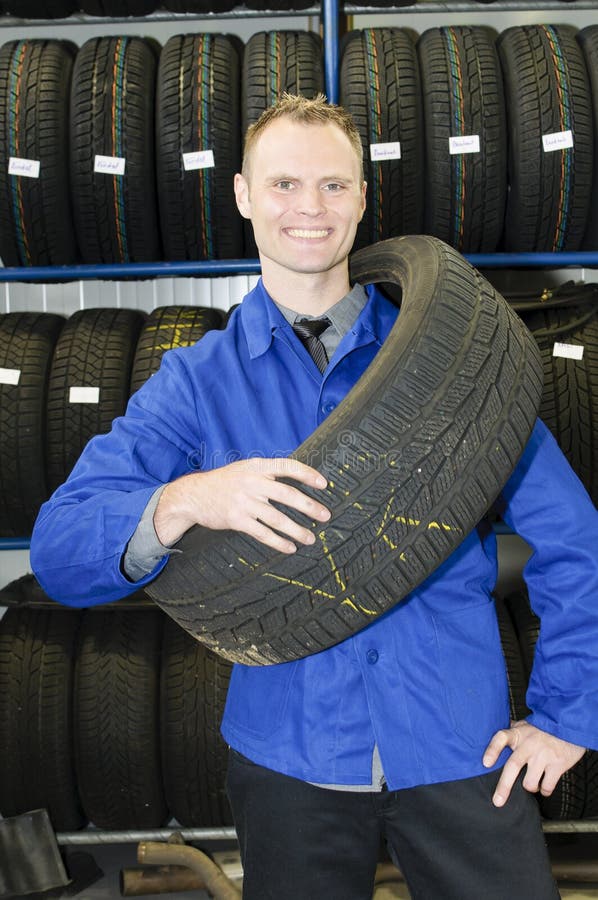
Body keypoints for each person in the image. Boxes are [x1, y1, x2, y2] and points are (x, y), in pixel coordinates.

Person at [31, 93, 598, 900]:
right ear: (243, 196)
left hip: (459, 746)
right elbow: (59, 548)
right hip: (291, 758)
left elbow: (575, 538)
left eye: (334, 186)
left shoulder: (448, 371)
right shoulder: (196, 384)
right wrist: (188, 499)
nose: (309, 208)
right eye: (284, 184)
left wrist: (568, 716)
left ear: (364, 198)